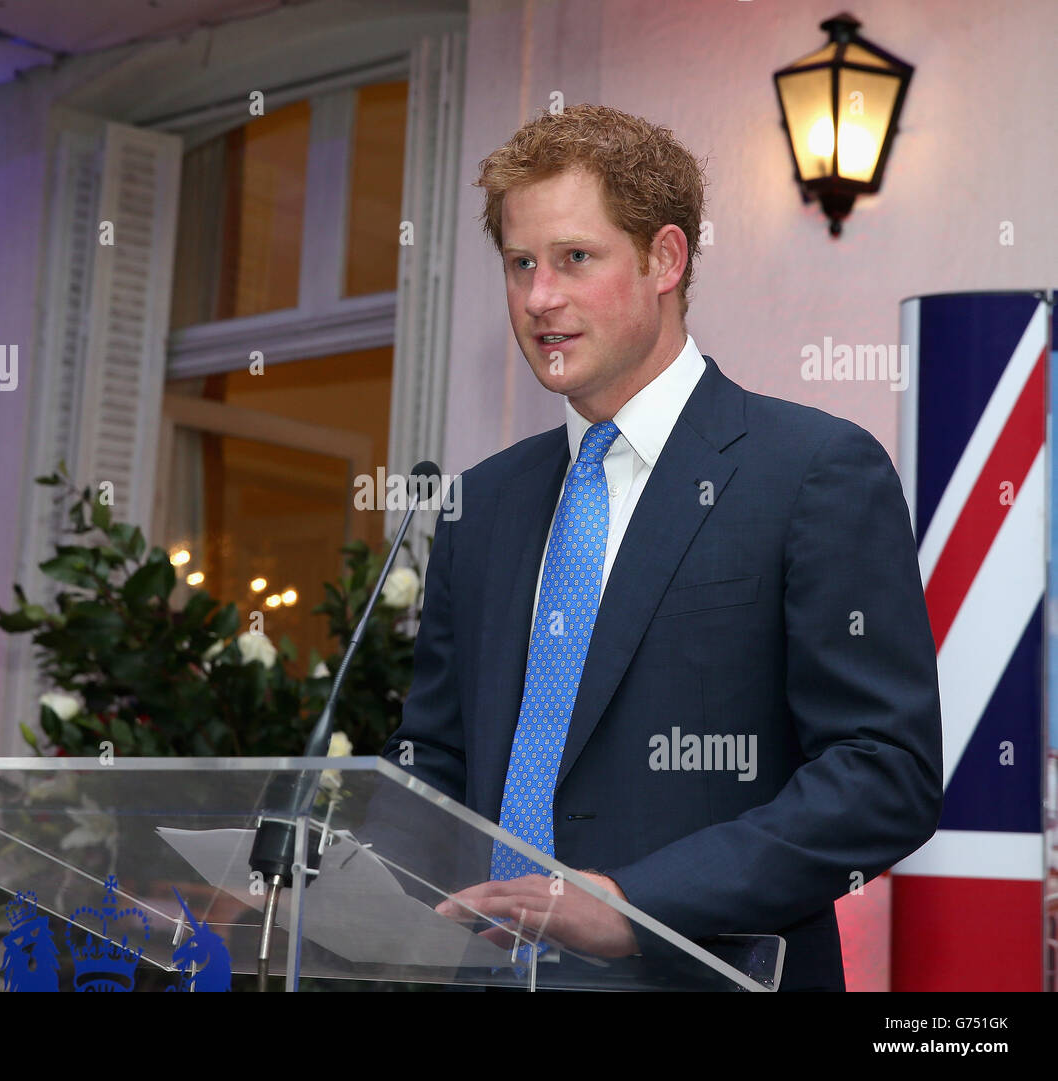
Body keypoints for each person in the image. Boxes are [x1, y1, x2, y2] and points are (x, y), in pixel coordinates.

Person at [382, 104, 943, 991]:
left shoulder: (814, 471)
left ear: (665, 260)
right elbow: (437, 763)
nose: (538, 298)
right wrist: (334, 869)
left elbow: (884, 775)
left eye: (574, 258)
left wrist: (637, 902)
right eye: (520, 264)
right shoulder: (480, 503)